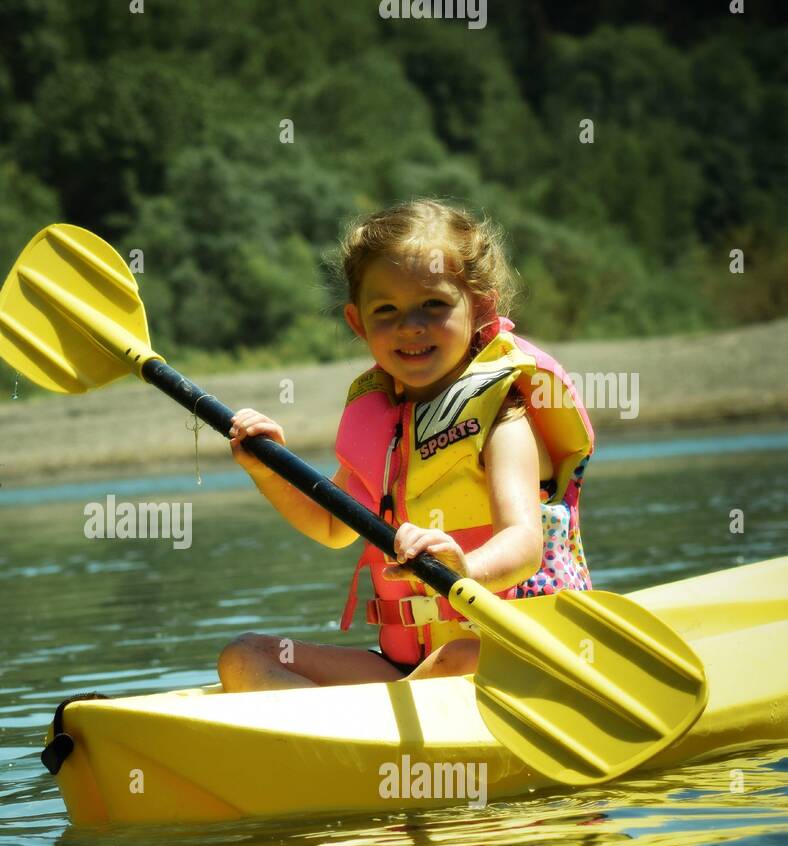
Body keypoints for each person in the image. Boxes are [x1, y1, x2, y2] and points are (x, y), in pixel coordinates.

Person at [218, 198, 593, 691]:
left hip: (511, 653)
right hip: (408, 670)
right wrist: (267, 470)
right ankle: (337, 746)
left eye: (433, 305)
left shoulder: (503, 415)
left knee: (456, 656)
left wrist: (465, 568)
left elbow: (523, 545)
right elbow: (333, 525)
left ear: (480, 305)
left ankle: (355, 740)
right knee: (244, 655)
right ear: (358, 322)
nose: (410, 326)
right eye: (386, 310)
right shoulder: (384, 426)